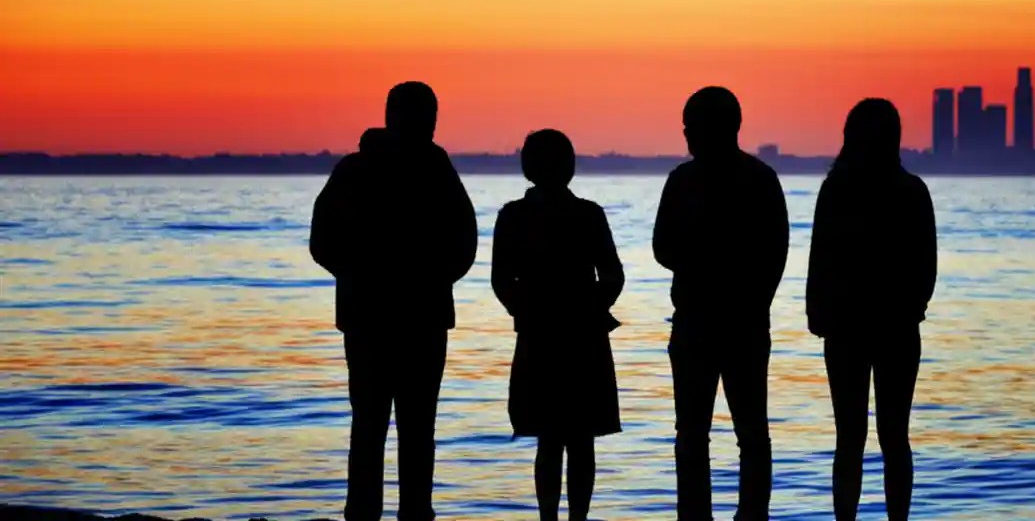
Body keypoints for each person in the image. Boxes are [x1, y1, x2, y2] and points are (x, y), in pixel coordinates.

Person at [309, 81, 478, 521]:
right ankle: (401, 513)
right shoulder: (405, 169)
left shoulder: (366, 169)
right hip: (400, 316)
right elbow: (465, 241)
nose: (429, 125)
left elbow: (464, 242)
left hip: (385, 315)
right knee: (404, 424)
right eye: (424, 115)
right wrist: (423, 278)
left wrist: (357, 277)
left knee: (379, 424)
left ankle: (384, 512)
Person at [653, 86, 790, 521]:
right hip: (726, 323)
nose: (687, 136)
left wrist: (699, 261)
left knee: (703, 435)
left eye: (691, 127)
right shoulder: (756, 178)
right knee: (740, 436)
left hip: (716, 323)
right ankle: (741, 515)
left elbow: (663, 248)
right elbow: (776, 253)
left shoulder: (691, 181)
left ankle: (713, 516)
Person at [806, 98, 937, 521]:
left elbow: (819, 258)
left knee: (850, 436)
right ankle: (897, 518)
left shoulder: (837, 189)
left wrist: (817, 312)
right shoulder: (911, 190)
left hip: (846, 328)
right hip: (896, 328)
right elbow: (926, 267)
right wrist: (912, 308)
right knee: (894, 436)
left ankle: (845, 517)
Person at [491, 129, 625, 521]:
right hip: (560, 336)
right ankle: (560, 518)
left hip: (560, 336)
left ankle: (558, 518)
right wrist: (573, 308)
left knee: (563, 440)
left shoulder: (525, 215)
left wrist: (539, 309)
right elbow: (613, 277)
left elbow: (502, 282)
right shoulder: (576, 214)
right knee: (566, 440)